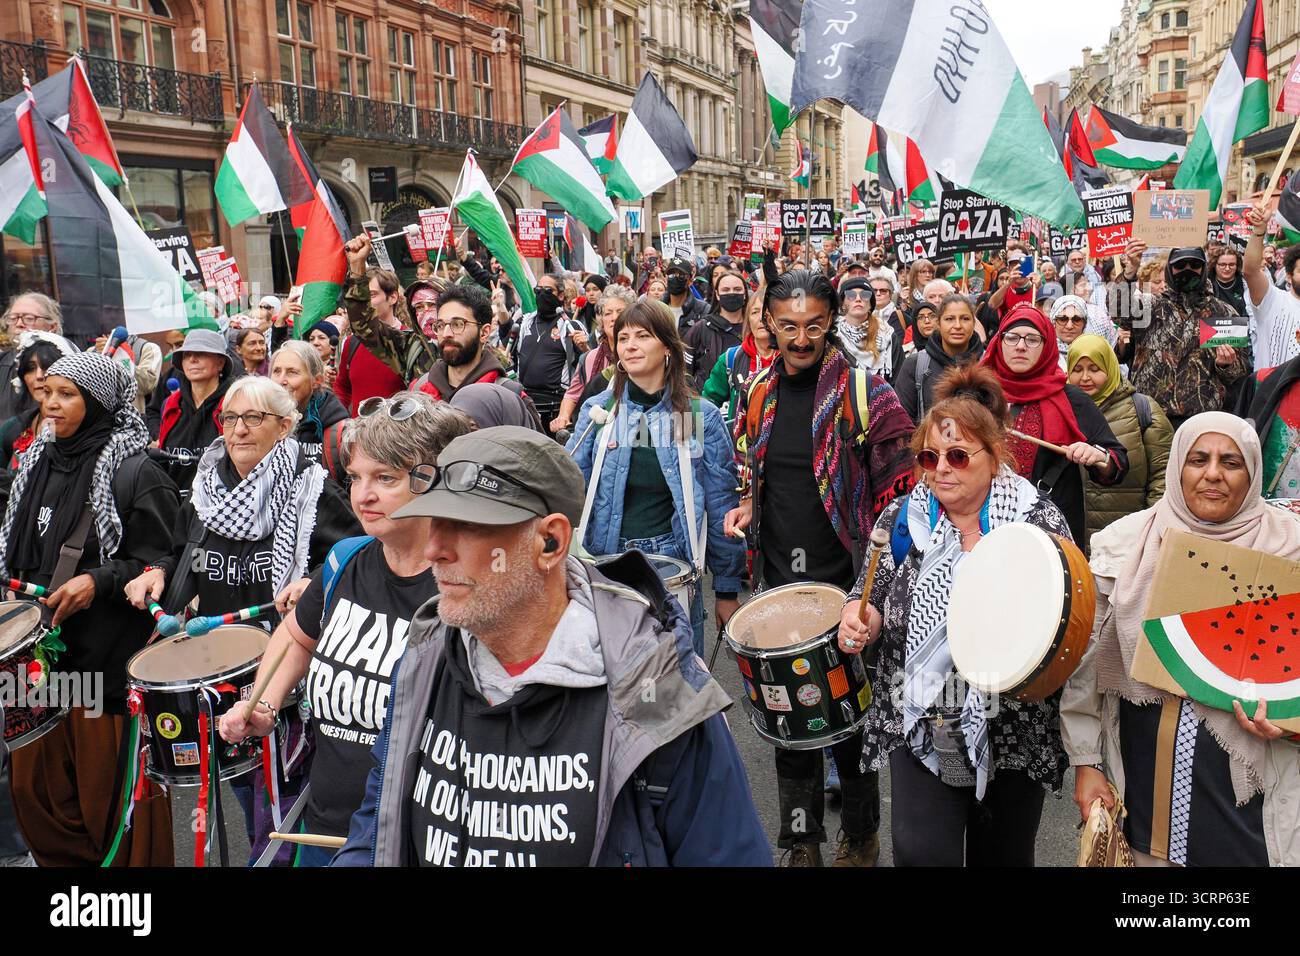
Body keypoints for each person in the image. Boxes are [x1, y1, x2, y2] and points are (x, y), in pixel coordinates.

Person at [333, 426, 770, 866]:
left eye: (465, 526)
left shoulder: (656, 692)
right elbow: (377, 829)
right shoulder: (424, 662)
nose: (433, 550)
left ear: (551, 541)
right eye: (433, 524)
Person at [217, 395, 473, 864]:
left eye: (386, 479)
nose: (363, 495)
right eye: (356, 477)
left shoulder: (461, 587)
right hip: (324, 823)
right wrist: (265, 702)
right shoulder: (345, 559)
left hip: (410, 839)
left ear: (437, 482)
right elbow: (296, 635)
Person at [839, 364, 1074, 866]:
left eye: (958, 455)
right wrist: (861, 621)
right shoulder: (901, 518)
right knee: (921, 853)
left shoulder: (1037, 520)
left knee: (1004, 857)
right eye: (930, 455)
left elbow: (1069, 615)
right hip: (921, 717)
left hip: (1011, 724)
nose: (940, 468)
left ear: (995, 457)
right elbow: (868, 596)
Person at [125, 376, 361, 863]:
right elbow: (181, 552)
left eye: (254, 418)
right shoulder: (206, 488)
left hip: (285, 667)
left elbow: (354, 557)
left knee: (281, 801)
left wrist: (314, 582)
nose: (238, 429)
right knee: (239, 783)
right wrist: (159, 573)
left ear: (285, 426)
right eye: (230, 418)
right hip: (219, 666)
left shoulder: (311, 489)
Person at [723, 269, 915, 867]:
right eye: (788, 326)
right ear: (769, 325)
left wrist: (877, 580)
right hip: (779, 581)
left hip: (847, 585)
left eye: (814, 325)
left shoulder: (867, 393)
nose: (800, 339)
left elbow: (907, 484)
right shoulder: (758, 391)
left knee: (849, 721)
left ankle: (860, 837)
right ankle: (801, 841)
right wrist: (750, 504)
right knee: (789, 721)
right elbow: (756, 465)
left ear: (831, 322)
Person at [1062, 414, 1300, 866]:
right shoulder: (1124, 545)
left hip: (1249, 809)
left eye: (1230, 461)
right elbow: (1086, 673)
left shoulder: (1291, 549)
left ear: (1252, 473)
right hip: (1143, 796)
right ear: (1176, 468)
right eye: (1198, 459)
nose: (1213, 473)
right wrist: (1087, 762)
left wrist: (1291, 722)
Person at [2, 353, 179, 866]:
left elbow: (164, 560)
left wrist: (98, 581)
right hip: (35, 668)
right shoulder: (36, 461)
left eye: (67, 394)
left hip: (103, 668)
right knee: (38, 797)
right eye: (46, 391)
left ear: (99, 401)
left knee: (110, 804)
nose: (50, 404)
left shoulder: (134, 470)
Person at [568, 300, 744, 656]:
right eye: (623, 337)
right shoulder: (600, 410)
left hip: (672, 563)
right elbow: (569, 485)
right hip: (606, 561)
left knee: (679, 681)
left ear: (666, 346)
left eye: (642, 336)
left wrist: (726, 590)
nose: (630, 345)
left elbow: (721, 503)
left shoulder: (696, 415)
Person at [981, 303, 1128, 545]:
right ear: (999, 341)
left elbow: (1118, 462)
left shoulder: (1072, 398)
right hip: (983, 526)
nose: (1020, 346)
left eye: (1032, 339)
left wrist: (1098, 456)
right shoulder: (976, 395)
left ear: (1047, 345)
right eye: (1012, 337)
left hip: (1051, 531)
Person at [1117, 243, 1248, 430]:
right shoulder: (1151, 306)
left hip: (1202, 419)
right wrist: (1129, 274)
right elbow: (1117, 311)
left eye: (1194, 266)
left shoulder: (1223, 312)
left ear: (1203, 269)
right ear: (1170, 270)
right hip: (1152, 417)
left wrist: (1226, 365)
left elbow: (1241, 369)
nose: (1187, 270)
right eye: (1181, 266)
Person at [1066, 334, 1173, 546]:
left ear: (1111, 367)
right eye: (1077, 370)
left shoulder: (1142, 409)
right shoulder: (1061, 410)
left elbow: (1163, 475)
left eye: (1095, 369)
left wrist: (1153, 528)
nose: (1085, 377)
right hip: (1072, 537)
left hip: (1127, 537)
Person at [156, 328, 239, 492]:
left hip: (220, 505)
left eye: (201, 353)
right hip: (175, 505)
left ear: (220, 362)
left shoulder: (235, 403)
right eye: (186, 355)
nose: (192, 359)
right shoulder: (171, 404)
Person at [553, 285, 635, 433]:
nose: (614, 317)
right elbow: (573, 394)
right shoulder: (589, 358)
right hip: (594, 432)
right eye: (608, 313)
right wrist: (563, 417)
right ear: (601, 320)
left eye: (620, 312)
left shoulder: (638, 355)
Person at [405, 284, 508, 401]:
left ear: (484, 333)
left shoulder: (507, 397)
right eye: (440, 325)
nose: (446, 334)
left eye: (458, 324)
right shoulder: (418, 392)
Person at [336, 256, 409, 415]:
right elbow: (342, 387)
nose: (365, 302)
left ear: (392, 298)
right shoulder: (351, 342)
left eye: (372, 295)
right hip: (358, 436)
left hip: (395, 436)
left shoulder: (410, 342)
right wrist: (340, 421)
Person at [895, 293, 984, 422]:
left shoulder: (987, 362)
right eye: (949, 319)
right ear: (938, 323)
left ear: (974, 322)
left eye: (965, 318)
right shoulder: (915, 365)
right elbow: (902, 422)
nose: (958, 325)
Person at [269, 340, 349, 475]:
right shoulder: (261, 421)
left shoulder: (339, 431)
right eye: (276, 371)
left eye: (292, 372)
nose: (281, 381)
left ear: (316, 381)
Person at [0, 332, 76, 473]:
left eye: (47, 366)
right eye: (31, 368)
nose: (39, 376)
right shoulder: (14, 427)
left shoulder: (81, 429)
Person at [1243, 202, 1300, 371]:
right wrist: (1259, 230)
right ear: (1288, 276)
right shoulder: (1273, 301)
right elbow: (1251, 271)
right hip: (1273, 394)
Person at [0, 294, 61, 422]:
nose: (19, 324)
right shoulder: (2, 361)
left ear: (52, 327)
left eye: (29, 318)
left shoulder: (66, 366)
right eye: (13, 318)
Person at [684, 268, 746, 393]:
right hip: (708, 405)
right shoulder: (701, 329)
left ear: (745, 294)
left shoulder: (754, 329)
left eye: (737, 289)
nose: (732, 293)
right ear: (717, 294)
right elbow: (684, 372)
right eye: (726, 290)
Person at [836, 276, 897, 379]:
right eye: (851, 295)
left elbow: (898, 378)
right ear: (842, 304)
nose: (858, 299)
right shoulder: (832, 336)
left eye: (865, 295)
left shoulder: (887, 335)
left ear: (870, 305)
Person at [1050, 294, 1115, 370]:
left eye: (1076, 320)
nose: (1069, 326)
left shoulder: (1096, 353)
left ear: (1084, 324)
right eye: (1063, 319)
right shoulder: (1043, 352)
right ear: (1054, 322)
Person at [662, 256, 708, 333]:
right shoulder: (656, 309)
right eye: (671, 275)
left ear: (690, 281)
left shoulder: (702, 310)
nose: (675, 278)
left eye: (681, 275)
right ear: (665, 279)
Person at [1209, 246, 1247, 316]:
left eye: (1231, 265)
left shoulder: (1245, 284)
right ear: (1215, 264)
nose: (1227, 268)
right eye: (1222, 264)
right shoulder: (1206, 283)